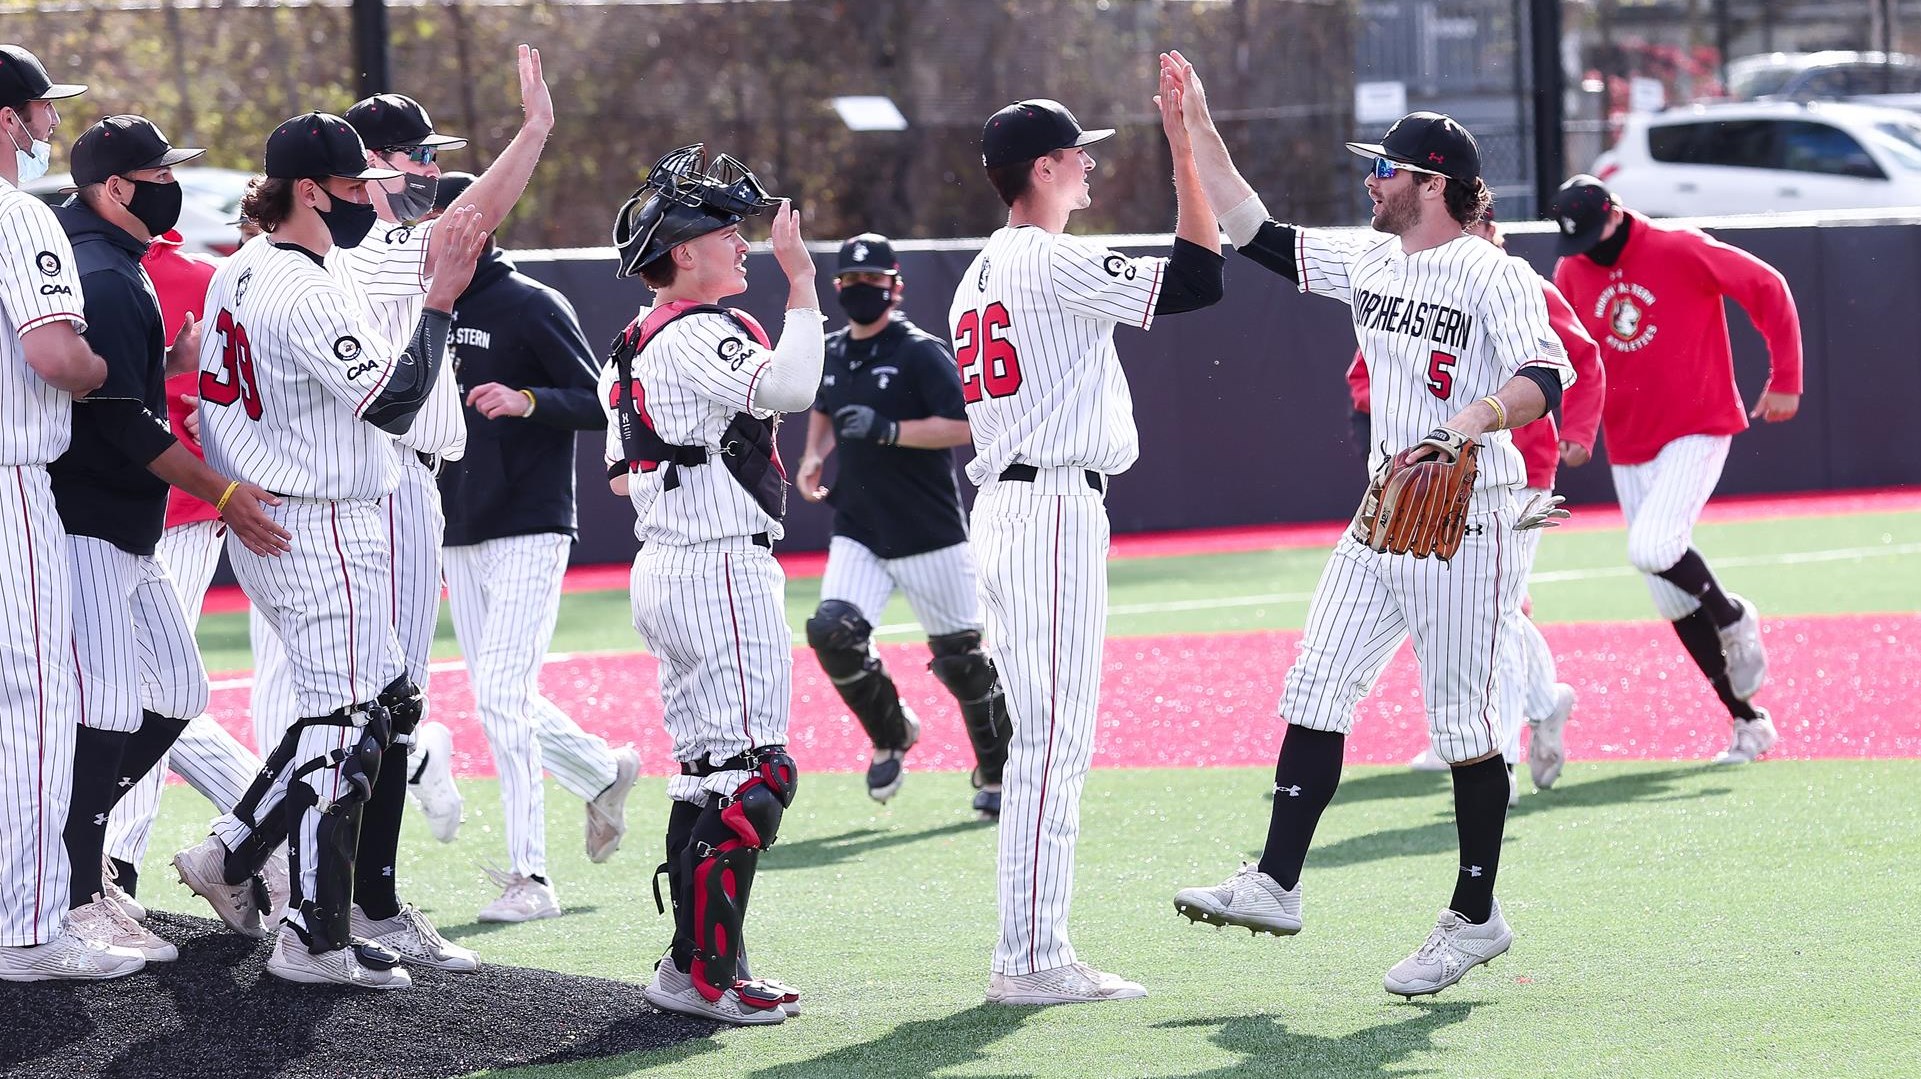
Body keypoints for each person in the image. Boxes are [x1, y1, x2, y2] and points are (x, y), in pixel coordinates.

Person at [1162, 53, 1576, 998]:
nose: (1371, 180)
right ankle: (1273, 880)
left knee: (1465, 721)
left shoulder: (1486, 271)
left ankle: (1474, 917)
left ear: (1433, 184)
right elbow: (1251, 228)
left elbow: (1545, 378)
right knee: (1315, 684)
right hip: (1386, 504)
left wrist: (1465, 422)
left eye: (1386, 169)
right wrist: (1196, 125)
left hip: (1467, 508)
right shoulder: (1372, 255)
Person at [231, 45, 558, 973]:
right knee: (378, 705)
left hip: (329, 484)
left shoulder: (292, 258)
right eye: (406, 158)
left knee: (366, 705)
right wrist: (534, 131)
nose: (425, 171)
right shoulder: (365, 250)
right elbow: (477, 214)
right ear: (352, 174)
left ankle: (299, 877)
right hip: (370, 484)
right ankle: (337, 895)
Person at [172, 111, 487, 988]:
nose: (365, 200)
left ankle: (230, 854)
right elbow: (391, 403)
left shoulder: (243, 268)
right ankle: (313, 936)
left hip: (289, 507)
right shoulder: (297, 285)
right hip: (314, 517)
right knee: (349, 726)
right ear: (306, 190)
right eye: (351, 187)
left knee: (377, 705)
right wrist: (438, 302)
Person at [951, 72, 1224, 1006]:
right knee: (1053, 744)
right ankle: (1031, 960)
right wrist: (1184, 147)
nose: (1091, 164)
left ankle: (1030, 951)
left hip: (1010, 508)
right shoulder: (1039, 256)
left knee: (1043, 738)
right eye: (1079, 152)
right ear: (1042, 166)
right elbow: (1197, 278)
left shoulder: (979, 269)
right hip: (1050, 508)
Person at [49, 114, 289, 964]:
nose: (168, 183)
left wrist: (173, 361)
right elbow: (117, 424)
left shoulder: (119, 262)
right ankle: (71, 888)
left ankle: (69, 851)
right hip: (85, 519)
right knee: (107, 705)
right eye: (155, 172)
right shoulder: (104, 272)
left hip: (119, 520)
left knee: (177, 693)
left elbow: (120, 392)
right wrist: (224, 490)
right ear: (115, 188)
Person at [601, 144, 820, 1025]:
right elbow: (797, 385)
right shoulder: (694, 330)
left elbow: (623, 475)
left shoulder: (632, 339)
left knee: (705, 777)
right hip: (716, 562)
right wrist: (801, 283)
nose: (742, 244)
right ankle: (704, 977)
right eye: (725, 232)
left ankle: (696, 963)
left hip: (669, 561)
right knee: (753, 776)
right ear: (681, 252)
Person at [430, 171, 640, 923]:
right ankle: (600, 767)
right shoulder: (423, 304)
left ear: (480, 229)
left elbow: (601, 402)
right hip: (457, 524)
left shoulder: (529, 302)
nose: (429, 236)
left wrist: (527, 400)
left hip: (528, 519)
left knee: (501, 697)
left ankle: (532, 878)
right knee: (499, 696)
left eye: (444, 222)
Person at [1546, 174, 1801, 766]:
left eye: (1588, 233)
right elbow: (1577, 361)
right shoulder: (1572, 271)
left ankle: (1734, 616)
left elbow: (1768, 286)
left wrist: (1786, 378)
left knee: (1654, 545)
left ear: (1613, 213)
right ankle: (1748, 723)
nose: (1582, 249)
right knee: (1668, 598)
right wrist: (1580, 432)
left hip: (1700, 423)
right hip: (1630, 441)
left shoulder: (1679, 245)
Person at [1350, 211, 1604, 798]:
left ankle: (1501, 759)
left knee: (1491, 610)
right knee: (1498, 606)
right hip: (1434, 479)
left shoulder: (1518, 284)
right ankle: (1540, 705)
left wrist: (1580, 433)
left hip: (1520, 474)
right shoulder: (1405, 284)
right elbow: (1364, 370)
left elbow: (1581, 360)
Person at [796, 232, 1010, 818]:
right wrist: (815, 455)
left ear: (895, 286)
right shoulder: (832, 350)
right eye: (851, 283)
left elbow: (968, 423)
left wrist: (893, 430)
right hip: (859, 526)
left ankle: (999, 774)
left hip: (928, 531)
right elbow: (823, 406)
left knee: (964, 662)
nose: (862, 291)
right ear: (838, 289)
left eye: (873, 281)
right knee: (832, 633)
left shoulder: (921, 351)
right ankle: (892, 734)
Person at [102, 224, 280, 920]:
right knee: (140, 687)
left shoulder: (200, 275)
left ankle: (120, 862)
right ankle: (121, 862)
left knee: (152, 688)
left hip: (175, 506)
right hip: (169, 507)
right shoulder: (189, 272)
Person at [0, 42, 124, 983]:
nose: (49, 125)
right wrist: (101, 366)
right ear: (7, 120)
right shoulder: (22, 218)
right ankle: (29, 927)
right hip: (9, 483)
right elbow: (54, 357)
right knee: (34, 703)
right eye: (40, 111)